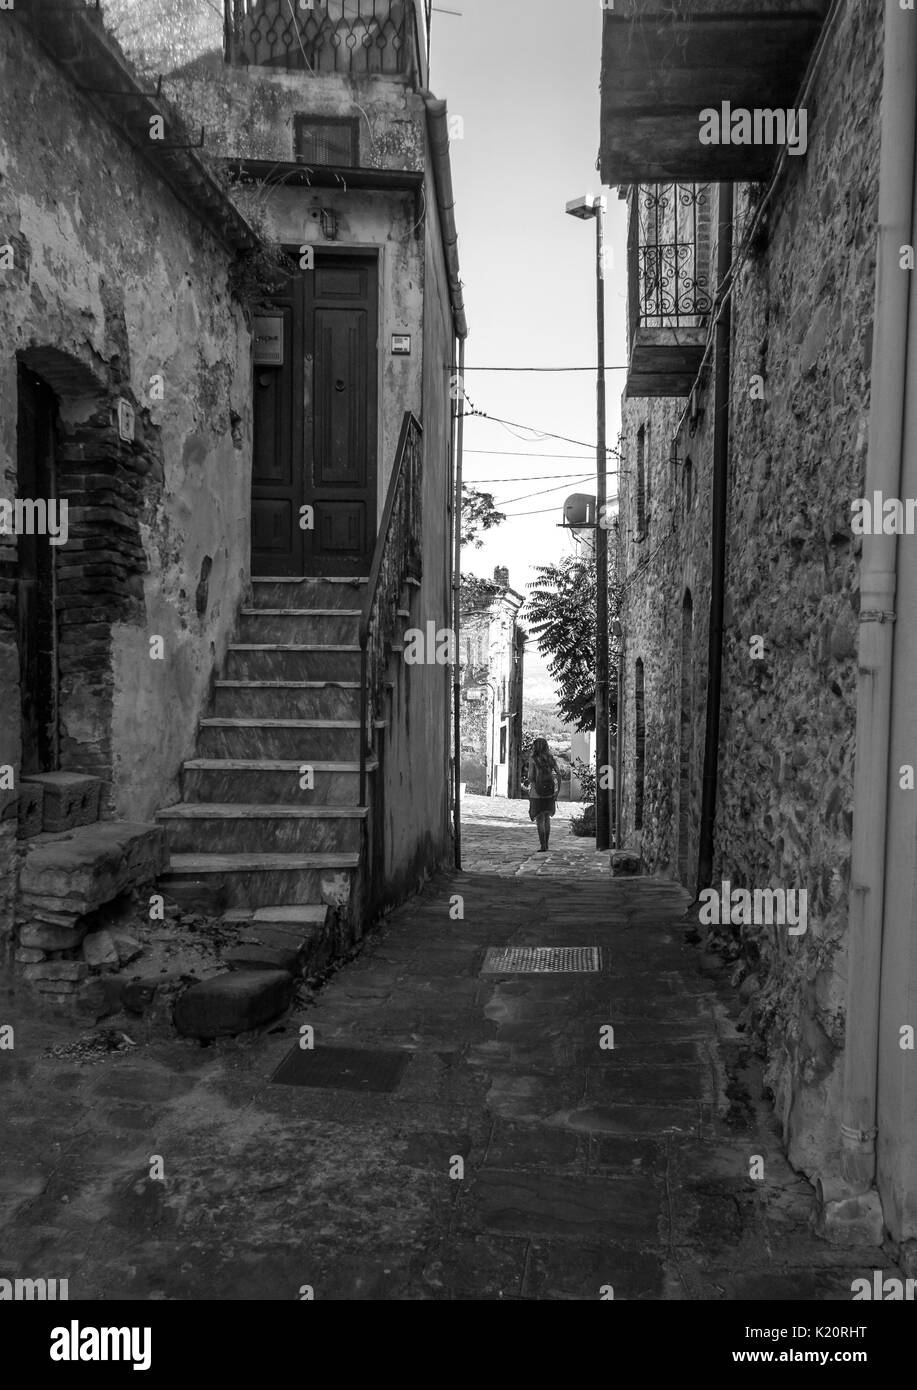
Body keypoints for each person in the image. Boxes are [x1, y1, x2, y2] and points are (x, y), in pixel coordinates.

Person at [525, 738, 561, 853]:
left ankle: (543, 845)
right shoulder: (551, 759)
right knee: (546, 818)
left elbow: (530, 777)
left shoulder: (533, 759)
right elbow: (559, 774)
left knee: (540, 819)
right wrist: (557, 791)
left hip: (537, 793)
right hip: (549, 793)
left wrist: (531, 786)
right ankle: (547, 844)